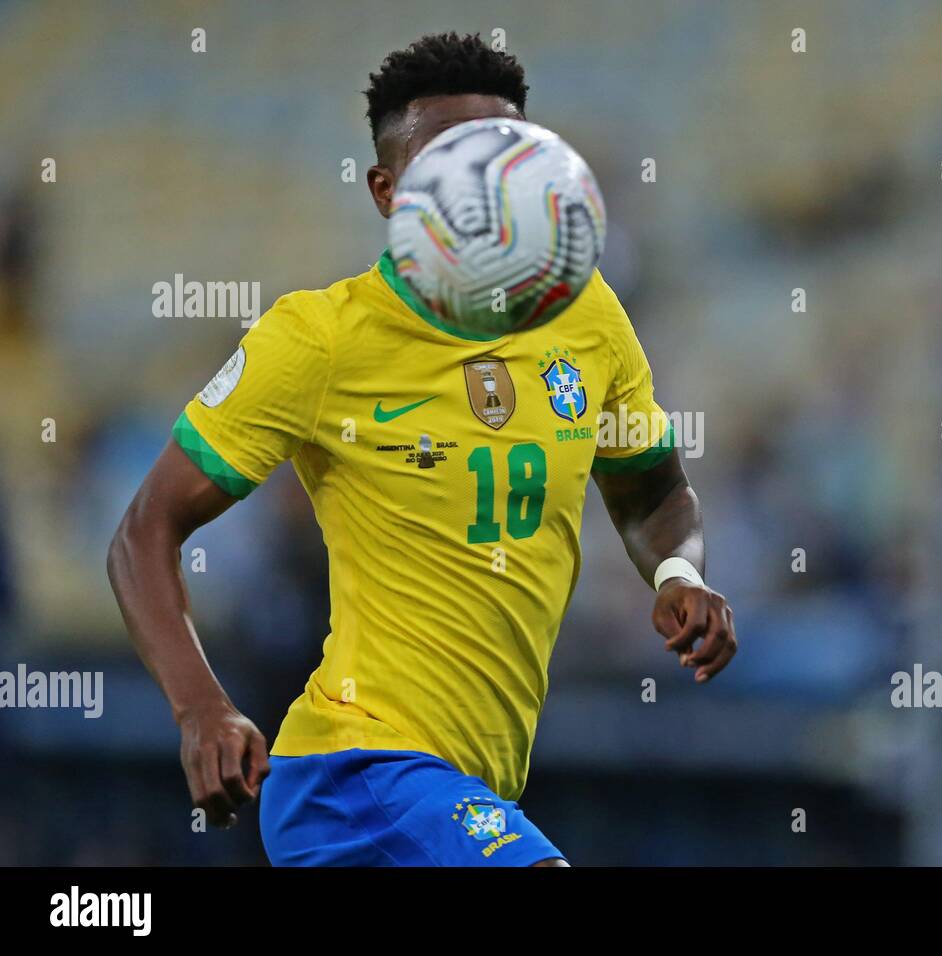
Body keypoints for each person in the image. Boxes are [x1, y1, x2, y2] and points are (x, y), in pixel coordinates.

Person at [107, 31, 737, 867]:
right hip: (357, 777)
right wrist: (200, 711)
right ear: (386, 189)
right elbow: (142, 534)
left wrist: (676, 574)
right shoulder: (322, 339)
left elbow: (652, 491)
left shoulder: (587, 318)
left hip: (466, 790)